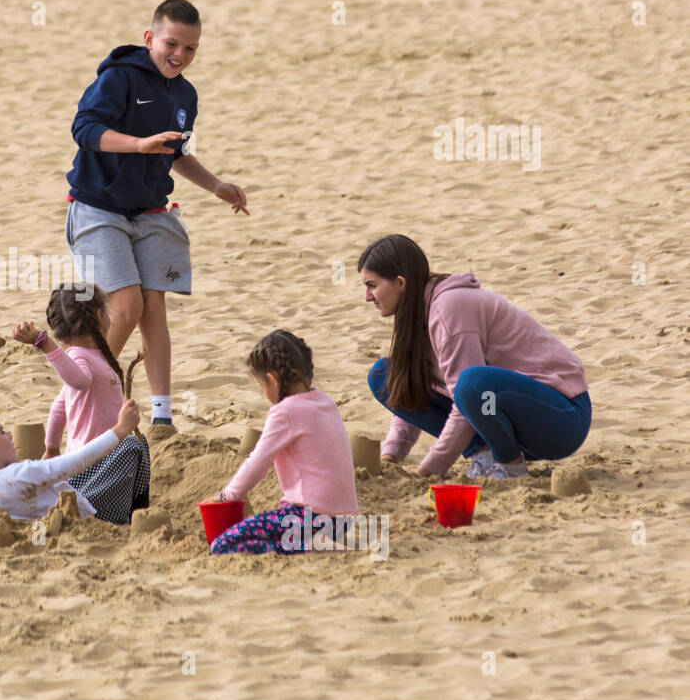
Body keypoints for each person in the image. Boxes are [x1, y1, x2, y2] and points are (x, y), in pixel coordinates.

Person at [64, 0, 248, 430]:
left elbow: (177, 153)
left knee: (153, 309)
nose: (180, 55)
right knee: (124, 306)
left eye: (191, 49)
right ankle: (85, 394)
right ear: (150, 38)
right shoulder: (119, 77)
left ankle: (162, 419)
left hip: (149, 212)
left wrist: (217, 186)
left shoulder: (185, 94)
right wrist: (137, 144)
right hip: (97, 208)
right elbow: (84, 130)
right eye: (172, 44)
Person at [358, 234, 590, 479]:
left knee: (472, 384)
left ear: (400, 283)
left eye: (371, 285)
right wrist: (390, 454)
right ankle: (485, 454)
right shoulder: (417, 313)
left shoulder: (449, 308)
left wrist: (428, 470)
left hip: (562, 417)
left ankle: (509, 463)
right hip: (509, 418)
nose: (367, 297)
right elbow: (410, 388)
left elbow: (468, 394)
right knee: (383, 375)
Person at [9, 283, 151, 524]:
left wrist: (53, 448)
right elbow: (79, 380)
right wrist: (44, 344)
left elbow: (58, 408)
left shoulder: (94, 356)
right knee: (132, 447)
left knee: (138, 446)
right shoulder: (78, 356)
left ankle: (135, 515)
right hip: (91, 464)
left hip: (103, 458)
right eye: (107, 312)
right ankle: (111, 516)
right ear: (98, 317)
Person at [208, 331, 358, 555]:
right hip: (343, 520)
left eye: (262, 385)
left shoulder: (284, 413)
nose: (263, 392)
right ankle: (319, 541)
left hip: (309, 518)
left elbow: (257, 463)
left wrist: (225, 497)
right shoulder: (324, 400)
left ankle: (312, 545)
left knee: (222, 545)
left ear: (273, 380)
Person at [0, 400, 141, 522]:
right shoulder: (19, 475)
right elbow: (77, 462)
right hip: (92, 518)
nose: (10, 435)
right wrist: (121, 428)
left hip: (44, 528)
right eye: (2, 432)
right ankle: (135, 517)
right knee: (132, 445)